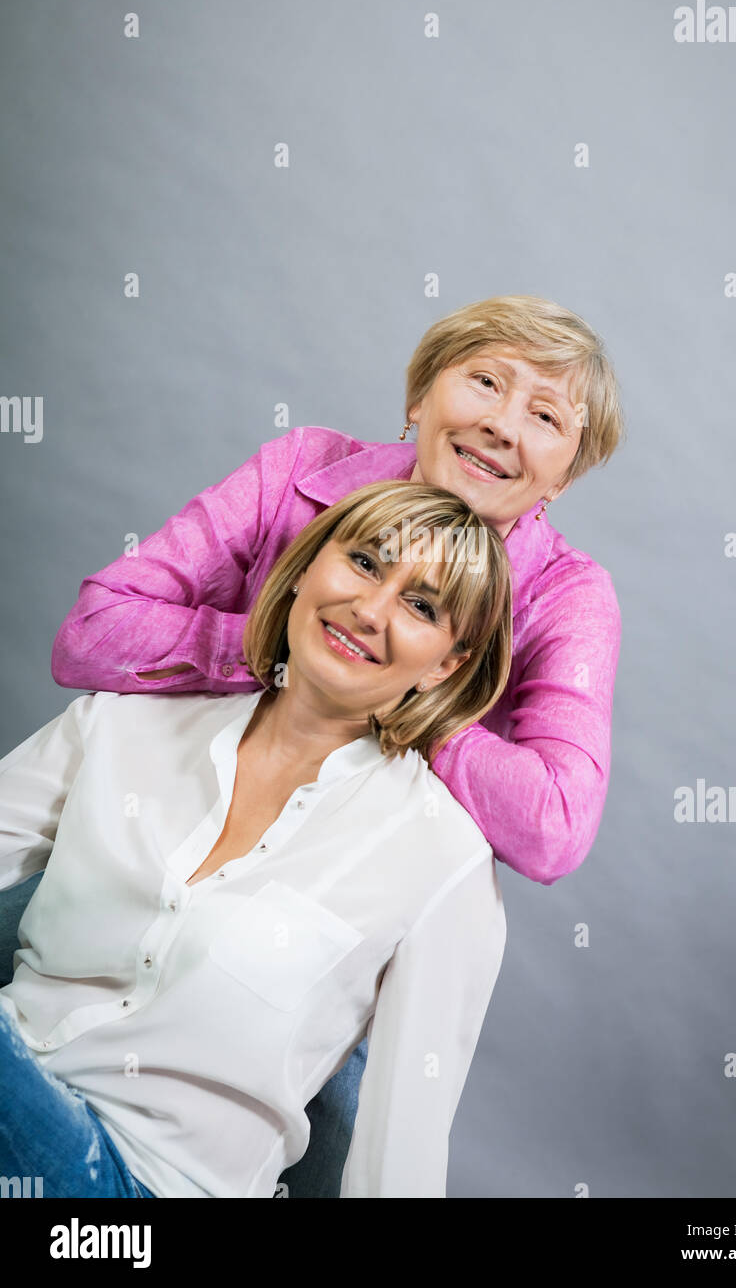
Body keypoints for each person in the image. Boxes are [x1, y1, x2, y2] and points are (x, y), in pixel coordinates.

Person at [2, 293, 625, 1195]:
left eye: (543, 416)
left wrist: (387, 699)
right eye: (484, 381)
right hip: (164, 877)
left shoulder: (566, 597)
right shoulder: (301, 472)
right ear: (419, 396)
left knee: (297, 1055)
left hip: (316, 924)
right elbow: (98, 632)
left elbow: (555, 823)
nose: (501, 424)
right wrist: (282, 658)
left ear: (563, 473)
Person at [0, 481, 512, 1198]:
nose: (370, 610)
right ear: (306, 566)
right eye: (365, 562)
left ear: (445, 665)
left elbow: (400, 1151)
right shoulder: (122, 724)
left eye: (422, 606)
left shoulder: (442, 862)